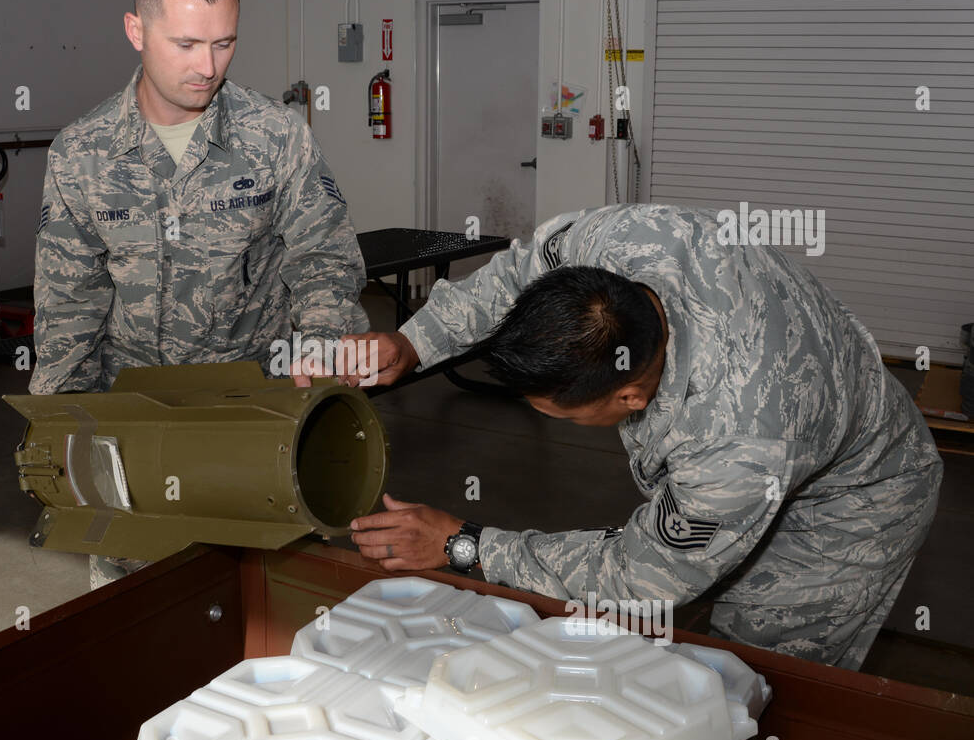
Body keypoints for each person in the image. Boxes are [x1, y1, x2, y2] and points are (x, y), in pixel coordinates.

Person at [335, 203, 942, 670]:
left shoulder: (734, 443)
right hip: (794, 418)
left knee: (755, 673)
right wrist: (414, 341)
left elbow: (640, 577)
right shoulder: (624, 243)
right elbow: (520, 273)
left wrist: (463, 545)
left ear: (630, 397)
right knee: (689, 634)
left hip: (852, 499)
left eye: (563, 416)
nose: (554, 424)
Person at [29, 0, 368, 588]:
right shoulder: (82, 153)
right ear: (136, 31)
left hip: (255, 425)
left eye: (223, 44)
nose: (206, 67)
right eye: (185, 44)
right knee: (140, 618)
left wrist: (322, 357)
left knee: (256, 616)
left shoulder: (274, 136)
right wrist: (60, 433)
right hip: (134, 430)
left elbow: (323, 256)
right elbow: (69, 303)